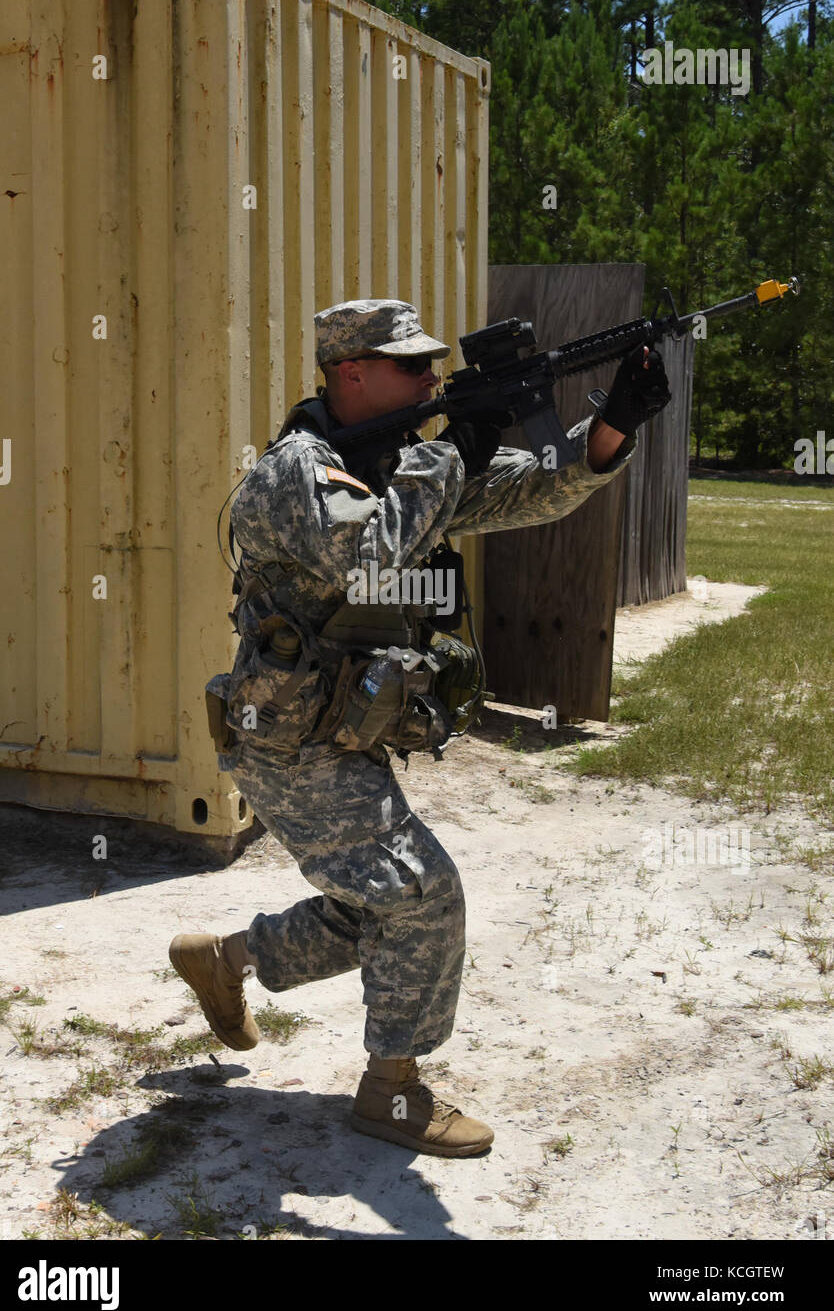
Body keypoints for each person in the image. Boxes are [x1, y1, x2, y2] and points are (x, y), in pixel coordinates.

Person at [169, 298, 670, 1158]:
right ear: (351, 372)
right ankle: (392, 1095)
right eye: (412, 366)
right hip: (286, 739)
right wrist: (454, 445)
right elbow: (370, 553)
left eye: (434, 365)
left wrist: (610, 429)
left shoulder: (399, 459)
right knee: (424, 895)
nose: (431, 379)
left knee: (374, 909)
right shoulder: (295, 473)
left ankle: (226, 959)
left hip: (337, 730)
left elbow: (520, 499)